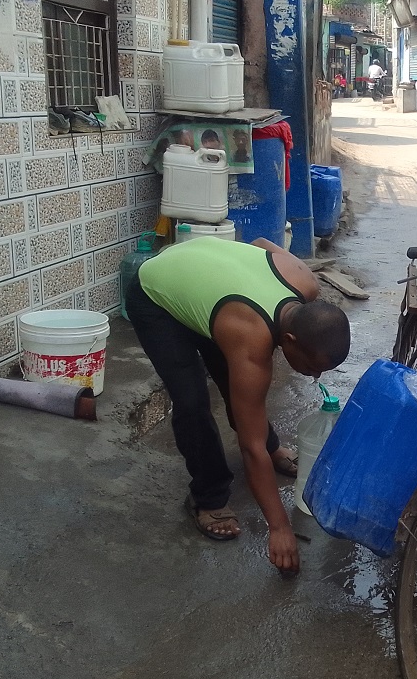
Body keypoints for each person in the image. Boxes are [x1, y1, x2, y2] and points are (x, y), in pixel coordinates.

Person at [125, 236, 351, 572]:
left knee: (241, 387)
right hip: (155, 293)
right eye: (312, 366)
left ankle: (276, 448)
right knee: (191, 399)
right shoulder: (250, 336)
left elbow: (260, 242)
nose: (314, 376)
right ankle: (208, 497)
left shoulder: (304, 280)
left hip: (199, 273)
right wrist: (279, 527)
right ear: (288, 341)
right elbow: (250, 448)